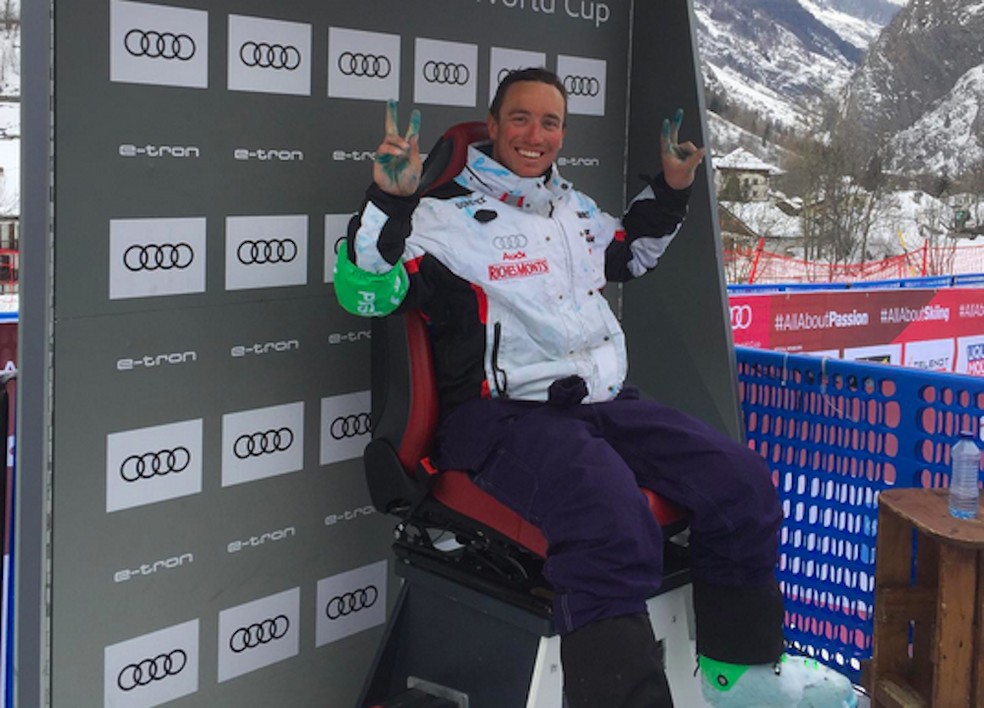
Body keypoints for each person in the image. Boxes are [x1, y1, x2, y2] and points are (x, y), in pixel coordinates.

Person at [335, 68, 856, 708]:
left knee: (741, 481)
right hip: (505, 416)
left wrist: (672, 188)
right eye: (520, 118)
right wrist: (387, 201)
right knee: (611, 523)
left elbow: (628, 252)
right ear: (492, 126)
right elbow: (365, 291)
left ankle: (738, 676)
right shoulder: (440, 220)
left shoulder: (572, 208)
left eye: (550, 122)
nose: (535, 134)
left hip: (602, 404)